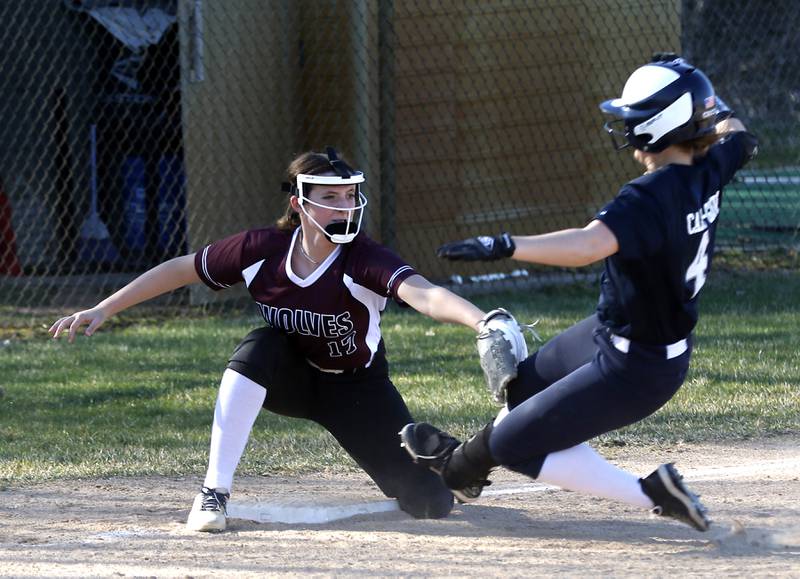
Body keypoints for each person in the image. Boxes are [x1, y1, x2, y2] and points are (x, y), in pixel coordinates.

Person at [50, 147, 499, 531]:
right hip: (291, 377)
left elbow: (424, 294)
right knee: (260, 344)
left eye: (349, 196)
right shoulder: (262, 248)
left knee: (429, 503)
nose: (344, 206)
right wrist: (104, 308)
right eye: (330, 198)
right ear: (300, 204)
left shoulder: (363, 256)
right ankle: (214, 492)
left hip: (357, 388)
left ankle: (447, 461)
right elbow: (182, 269)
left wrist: (483, 322)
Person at [400, 54, 758, 532]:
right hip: (610, 335)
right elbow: (740, 135)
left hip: (635, 368)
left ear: (656, 127)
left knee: (513, 448)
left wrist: (504, 245)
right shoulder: (710, 165)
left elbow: (587, 246)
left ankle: (652, 494)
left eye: (633, 118)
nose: (625, 126)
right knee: (522, 391)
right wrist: (702, 96)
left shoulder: (649, 197)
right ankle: (467, 469)